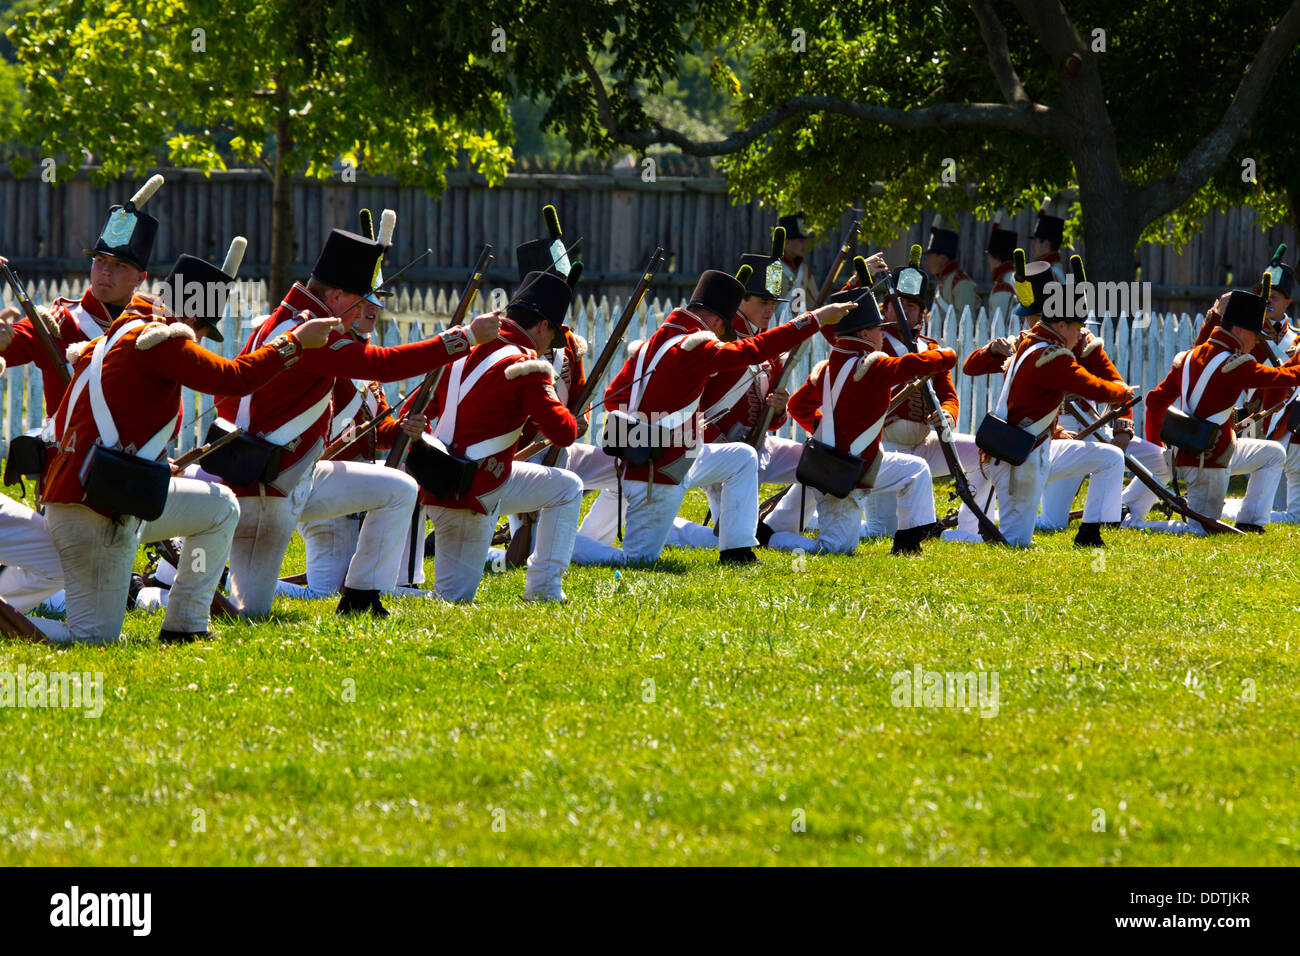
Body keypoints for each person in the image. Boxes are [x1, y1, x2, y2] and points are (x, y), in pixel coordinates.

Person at [35, 254, 338, 643]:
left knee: (220, 509)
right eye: (200, 329)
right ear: (191, 320)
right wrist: (294, 341)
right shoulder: (160, 340)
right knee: (92, 639)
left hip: (106, 492)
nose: (196, 339)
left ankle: (187, 625)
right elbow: (236, 378)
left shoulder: (117, 336)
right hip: (94, 507)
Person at [215, 228, 500, 618]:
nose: (366, 311)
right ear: (336, 297)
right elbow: (384, 363)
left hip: (291, 475)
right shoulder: (312, 332)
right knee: (252, 611)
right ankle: (156, 596)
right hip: (270, 486)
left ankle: (361, 596)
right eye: (360, 300)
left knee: (398, 487)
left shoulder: (289, 319)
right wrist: (466, 336)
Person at [411, 270, 589, 602]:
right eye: (551, 336)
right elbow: (563, 433)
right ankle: (544, 589)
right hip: (474, 493)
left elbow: (418, 406)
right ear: (541, 327)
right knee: (452, 600)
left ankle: (546, 591)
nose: (550, 345)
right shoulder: (527, 367)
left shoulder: (461, 350)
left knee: (567, 487)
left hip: (437, 478)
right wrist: (576, 422)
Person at [764, 284, 954, 556]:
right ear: (865, 333)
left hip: (845, 462)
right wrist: (947, 354)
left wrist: (828, 437)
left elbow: (798, 406)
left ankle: (908, 543)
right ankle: (767, 540)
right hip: (845, 471)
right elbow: (919, 364)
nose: (882, 334)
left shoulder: (828, 367)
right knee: (837, 549)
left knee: (915, 470)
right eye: (879, 329)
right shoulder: (873, 366)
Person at [971, 259, 1134, 548]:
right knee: (1016, 542)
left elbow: (1102, 378)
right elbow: (1090, 385)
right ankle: (933, 530)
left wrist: (1120, 423)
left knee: (1110, 458)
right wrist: (1120, 393)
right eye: (1076, 328)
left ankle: (1090, 534)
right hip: (1020, 454)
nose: (1079, 335)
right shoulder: (1045, 352)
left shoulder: (1039, 343)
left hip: (1040, 444)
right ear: (1060, 323)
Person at [1144, 284, 1300, 534]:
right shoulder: (1235, 363)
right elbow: (1286, 377)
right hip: (1208, 462)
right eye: (1255, 335)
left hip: (1215, 450)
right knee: (1201, 530)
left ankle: (1251, 521)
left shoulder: (1191, 355)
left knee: (1273, 454)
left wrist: (1155, 447)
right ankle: (1135, 525)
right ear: (1238, 329)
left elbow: (1154, 402)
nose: (1256, 342)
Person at [923, 215, 979, 316]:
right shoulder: (944, 280)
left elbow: (966, 323)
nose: (927, 261)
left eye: (930, 256)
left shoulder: (961, 283)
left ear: (942, 258)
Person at [985, 216, 1018, 319]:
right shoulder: (1014, 277)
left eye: (989, 257)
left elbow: (999, 325)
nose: (988, 261)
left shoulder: (1003, 286)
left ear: (996, 258)